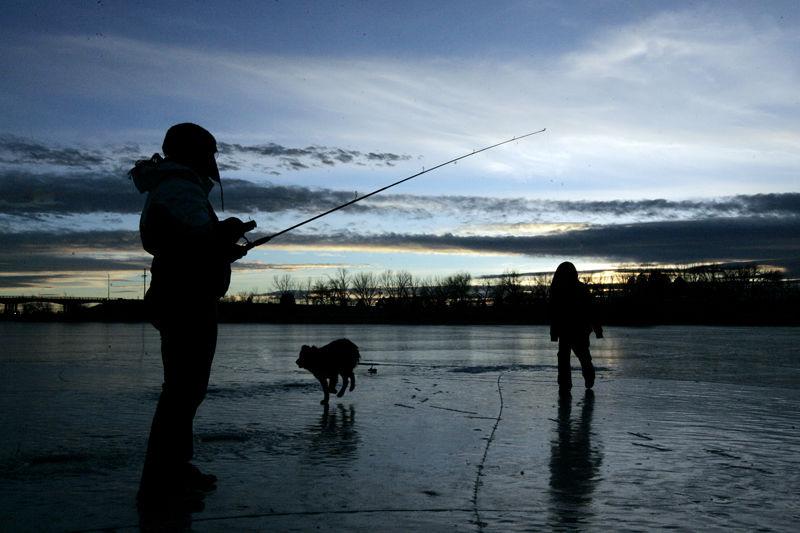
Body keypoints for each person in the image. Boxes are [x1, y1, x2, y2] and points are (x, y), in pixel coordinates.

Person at [129, 123, 255, 511]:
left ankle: (172, 470)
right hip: (186, 299)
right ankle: (165, 477)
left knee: (183, 390)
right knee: (183, 391)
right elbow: (192, 242)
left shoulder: (174, 186)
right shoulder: (180, 187)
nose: (214, 160)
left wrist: (223, 245)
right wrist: (227, 232)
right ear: (196, 153)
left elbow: (187, 244)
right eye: (211, 152)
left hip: (180, 295)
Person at [549, 262, 603, 395]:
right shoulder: (558, 290)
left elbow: (591, 310)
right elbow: (555, 313)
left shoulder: (579, 289)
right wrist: (554, 333)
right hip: (566, 330)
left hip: (580, 329)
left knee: (581, 354)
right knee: (564, 357)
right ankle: (565, 384)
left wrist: (597, 329)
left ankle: (585, 376)